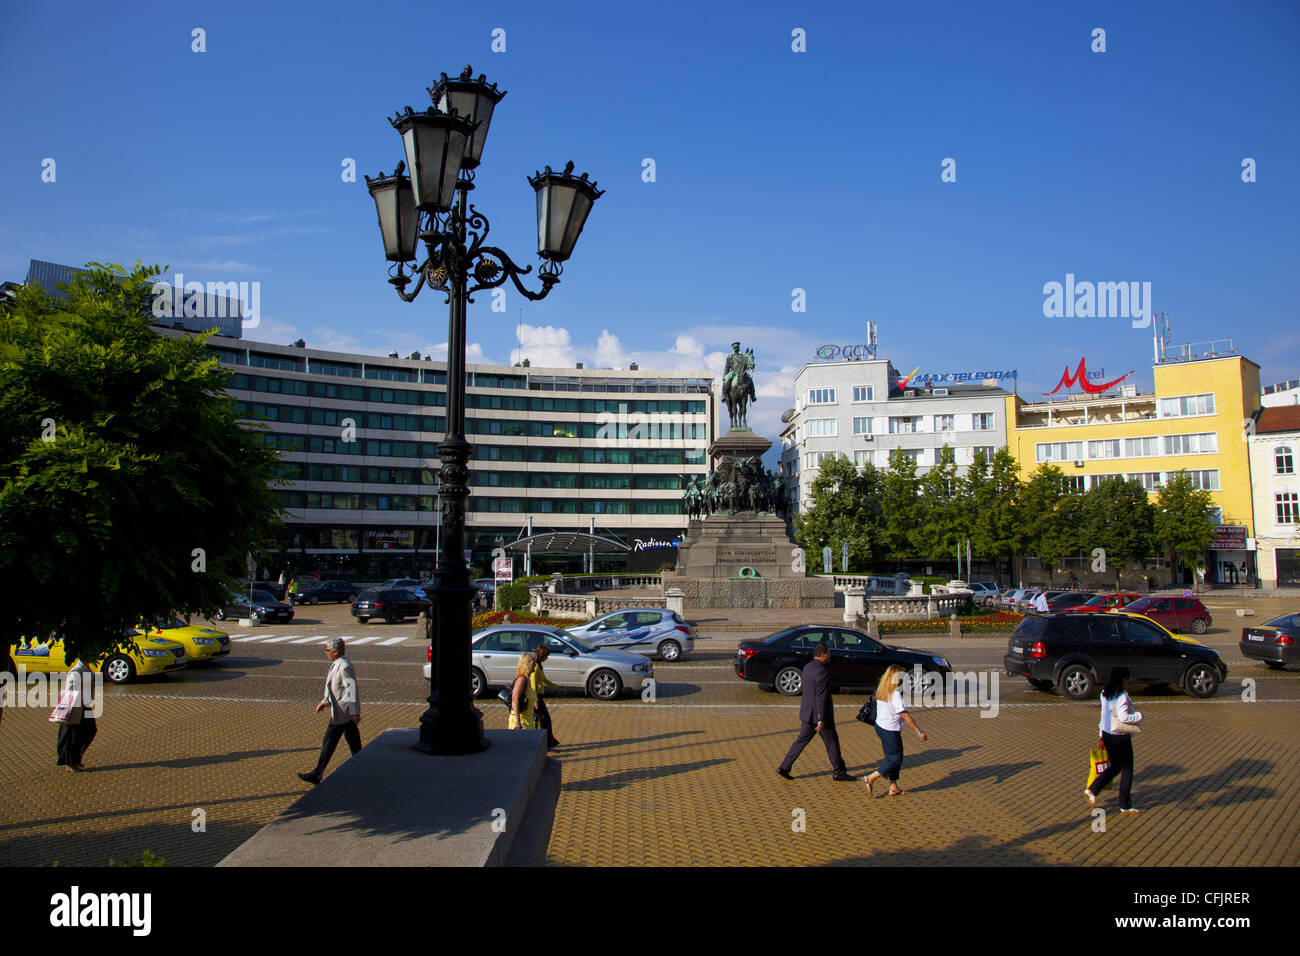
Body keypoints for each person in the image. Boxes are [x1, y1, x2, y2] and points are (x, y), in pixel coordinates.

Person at [777, 643, 853, 781]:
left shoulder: (808, 667)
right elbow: (821, 696)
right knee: (832, 743)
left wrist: (838, 689)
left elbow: (814, 689)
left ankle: (784, 767)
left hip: (807, 713)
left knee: (800, 741)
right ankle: (839, 771)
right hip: (820, 715)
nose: (830, 656)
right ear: (823, 655)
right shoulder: (822, 671)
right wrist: (821, 719)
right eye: (828, 654)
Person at [298, 639, 360, 785]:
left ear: (336, 652)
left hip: (342, 712)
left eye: (327, 650)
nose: (326, 653)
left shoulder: (345, 666)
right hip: (342, 712)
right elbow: (334, 688)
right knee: (354, 745)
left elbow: (351, 689)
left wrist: (354, 713)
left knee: (329, 742)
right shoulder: (336, 664)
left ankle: (317, 774)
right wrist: (324, 702)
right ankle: (363, 768)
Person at [1085, 666, 1143, 812]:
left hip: (1107, 733)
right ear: (1123, 679)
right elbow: (1124, 717)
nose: (1128, 681)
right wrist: (1138, 716)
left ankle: (1093, 789)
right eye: (1127, 678)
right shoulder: (1122, 695)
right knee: (1127, 768)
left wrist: (1101, 734)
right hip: (1120, 736)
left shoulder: (1105, 692)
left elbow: (1104, 715)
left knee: (1116, 765)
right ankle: (1125, 804)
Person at [863, 664, 927, 796]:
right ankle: (870, 778)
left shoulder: (882, 689)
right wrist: (919, 731)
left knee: (890, 757)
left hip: (880, 727)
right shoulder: (896, 694)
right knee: (895, 759)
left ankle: (893, 787)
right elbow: (905, 714)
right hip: (890, 731)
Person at [54, 657, 98, 772]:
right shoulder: (77, 671)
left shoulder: (87, 669)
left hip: (84, 705)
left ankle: (75, 759)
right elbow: (70, 689)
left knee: (88, 730)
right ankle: (70, 762)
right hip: (75, 707)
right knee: (71, 734)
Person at [532, 645, 560, 748]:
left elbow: (544, 680)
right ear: (542, 655)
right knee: (544, 720)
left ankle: (548, 742)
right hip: (536, 698)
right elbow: (533, 683)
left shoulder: (538, 666)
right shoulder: (535, 666)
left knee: (543, 721)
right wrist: (535, 700)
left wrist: (556, 687)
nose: (547, 658)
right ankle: (547, 743)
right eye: (546, 656)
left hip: (538, 697)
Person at [509, 653, 539, 731]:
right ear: (528, 665)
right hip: (521, 723)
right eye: (534, 663)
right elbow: (515, 699)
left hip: (528, 721)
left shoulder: (527, 679)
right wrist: (517, 722)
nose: (535, 666)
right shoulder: (521, 680)